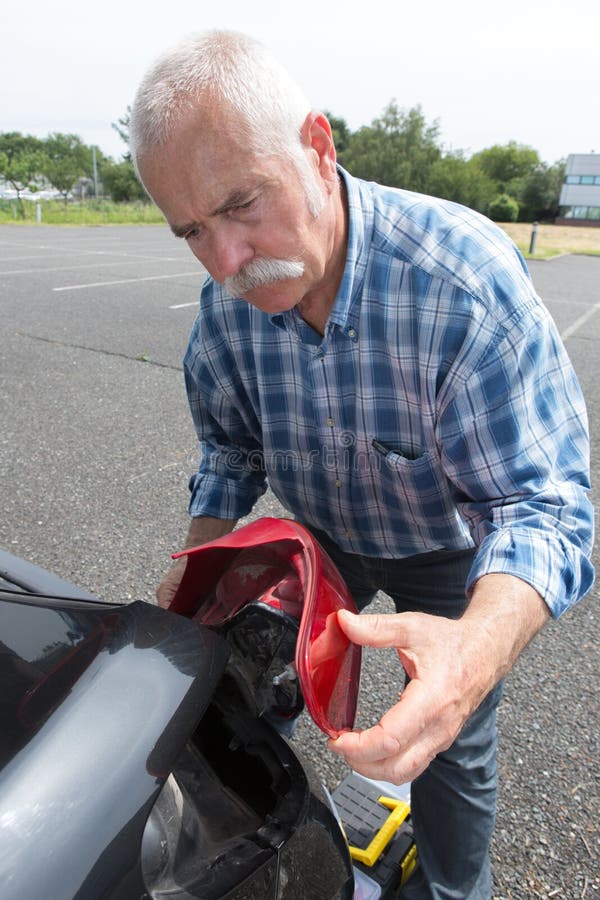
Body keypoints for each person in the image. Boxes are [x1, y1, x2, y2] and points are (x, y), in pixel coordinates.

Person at [129, 30, 594, 899]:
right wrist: (195, 585)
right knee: (230, 672)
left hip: (445, 545)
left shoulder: (460, 284)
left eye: (241, 204)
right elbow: (230, 446)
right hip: (318, 536)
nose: (226, 260)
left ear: (317, 144)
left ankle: (457, 889)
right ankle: (255, 849)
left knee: (450, 735)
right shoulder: (228, 306)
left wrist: (468, 656)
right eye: (192, 229)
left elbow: (544, 506)